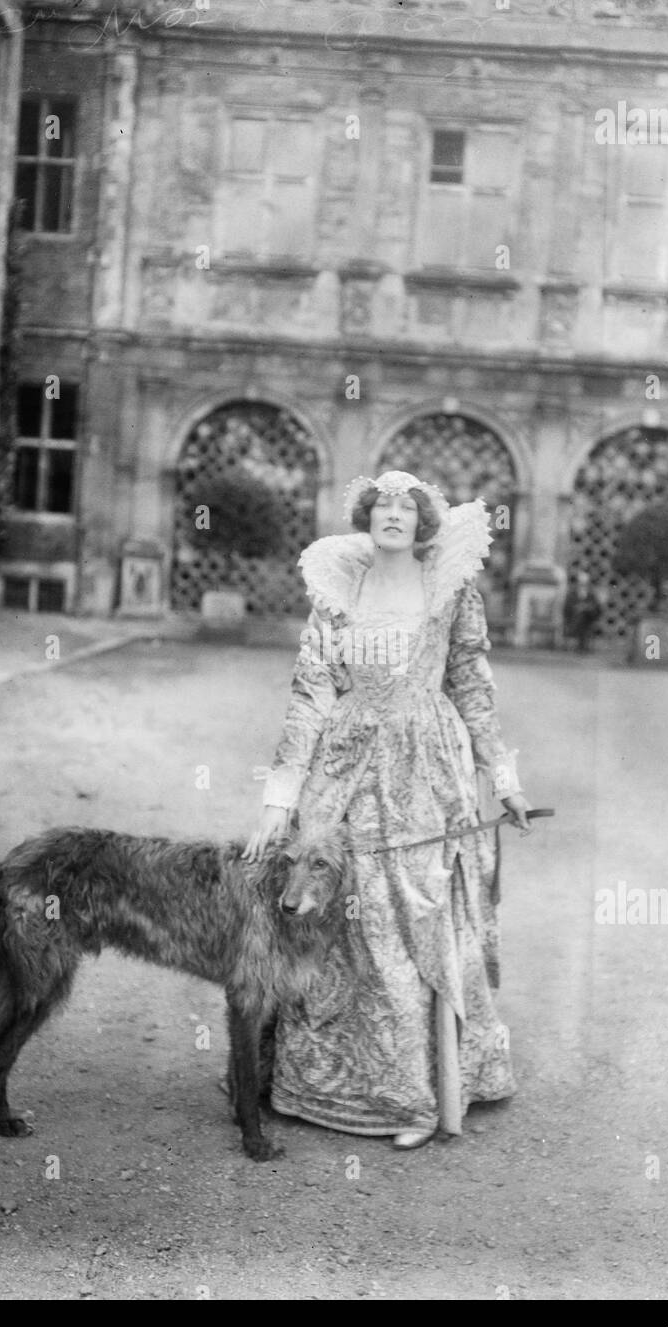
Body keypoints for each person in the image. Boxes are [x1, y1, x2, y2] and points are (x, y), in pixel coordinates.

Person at [243, 469, 534, 1150]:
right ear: (366, 516)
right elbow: (310, 694)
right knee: (347, 917)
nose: (394, 513)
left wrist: (505, 777)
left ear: (425, 522)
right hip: (344, 768)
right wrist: (279, 797)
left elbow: (470, 681)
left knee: (420, 920)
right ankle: (338, 1084)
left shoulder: (450, 589)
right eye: (382, 504)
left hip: (426, 769)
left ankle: (424, 1093)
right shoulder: (336, 589)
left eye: (408, 505)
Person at [563, 569, 602, 653]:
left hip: (589, 619)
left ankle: (580, 645)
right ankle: (582, 645)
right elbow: (567, 608)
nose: (582, 585)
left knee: (583, 616)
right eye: (581, 583)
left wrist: (587, 608)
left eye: (584, 583)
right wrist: (577, 608)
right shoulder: (571, 594)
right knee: (580, 616)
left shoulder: (591, 595)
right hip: (573, 618)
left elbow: (597, 608)